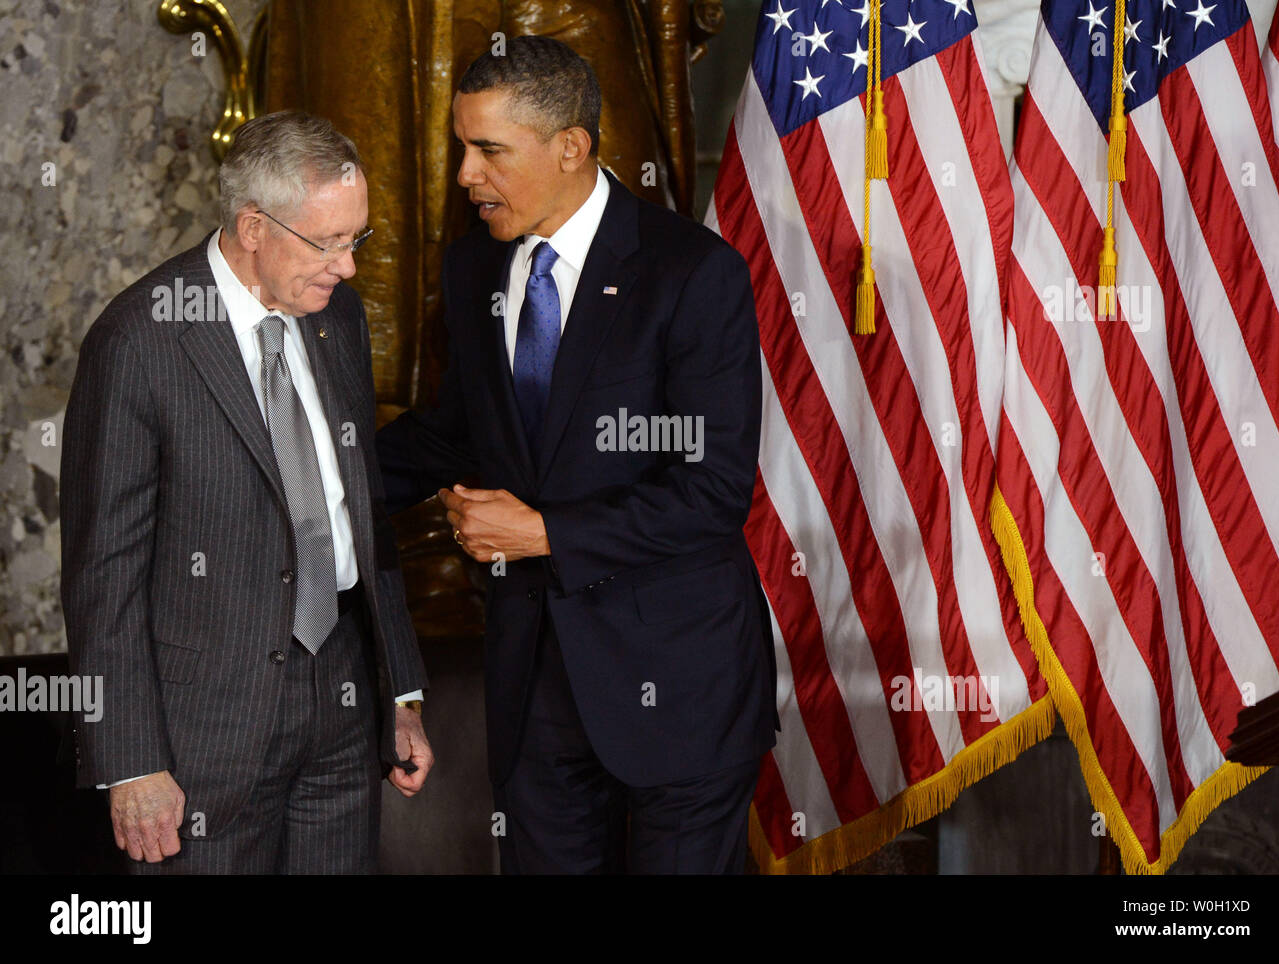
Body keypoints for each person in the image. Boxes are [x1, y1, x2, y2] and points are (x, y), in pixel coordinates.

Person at [377, 36, 777, 874]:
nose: (464, 175)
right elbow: (455, 431)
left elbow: (714, 488)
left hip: (680, 683)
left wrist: (545, 533)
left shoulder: (690, 272)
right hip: (536, 684)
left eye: (488, 150)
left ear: (571, 146)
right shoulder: (472, 267)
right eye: (461, 147)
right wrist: (308, 483)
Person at [60, 111, 433, 874]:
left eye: (355, 239)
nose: (349, 267)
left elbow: (360, 511)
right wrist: (129, 760)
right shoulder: (140, 340)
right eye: (327, 242)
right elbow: (104, 574)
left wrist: (401, 689)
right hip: (204, 735)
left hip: (340, 703)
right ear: (253, 226)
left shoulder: (338, 319)